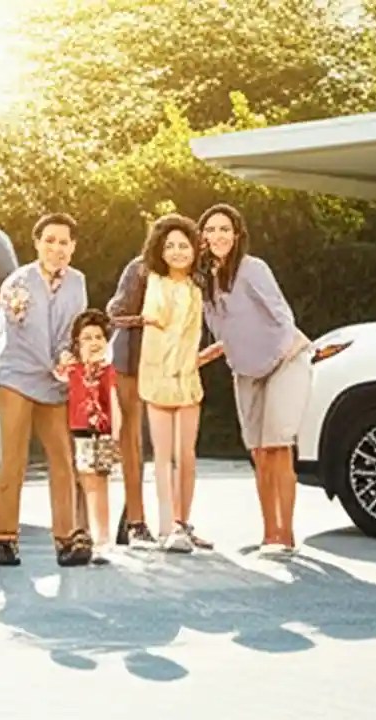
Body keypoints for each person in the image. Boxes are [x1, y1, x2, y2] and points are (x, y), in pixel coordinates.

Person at [0, 212, 91, 567]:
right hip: (17, 372)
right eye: (50, 240)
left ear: (73, 246)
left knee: (62, 458)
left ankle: (66, 539)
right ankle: (4, 540)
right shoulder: (17, 283)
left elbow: (72, 326)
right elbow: (25, 333)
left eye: (64, 242)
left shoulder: (77, 282)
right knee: (14, 459)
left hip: (53, 378)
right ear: (37, 243)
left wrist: (67, 358)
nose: (57, 248)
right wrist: (53, 362)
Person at [197, 203, 312, 556]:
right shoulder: (205, 283)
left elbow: (281, 315)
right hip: (246, 370)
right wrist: (203, 357)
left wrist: (280, 355)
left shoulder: (252, 269)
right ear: (202, 237)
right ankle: (269, 534)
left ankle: (285, 535)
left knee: (278, 447)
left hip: (285, 360)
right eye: (211, 230)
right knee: (259, 452)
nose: (218, 236)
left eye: (224, 230)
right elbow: (227, 333)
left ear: (236, 235)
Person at [138, 213, 209, 553]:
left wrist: (201, 358)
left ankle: (183, 522)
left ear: (195, 249)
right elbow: (155, 323)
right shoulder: (154, 281)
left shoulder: (200, 288)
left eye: (184, 245)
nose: (178, 252)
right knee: (163, 456)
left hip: (188, 380)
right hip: (157, 378)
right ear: (160, 250)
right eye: (170, 246)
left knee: (187, 455)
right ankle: (167, 526)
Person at [56, 309, 120, 565]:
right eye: (87, 338)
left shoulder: (109, 372)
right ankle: (89, 535)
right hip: (79, 432)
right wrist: (64, 361)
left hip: (103, 433)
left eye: (99, 338)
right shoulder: (73, 371)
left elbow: (114, 402)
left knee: (99, 485)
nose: (94, 343)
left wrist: (117, 436)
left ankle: (103, 540)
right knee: (86, 483)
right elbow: (57, 375)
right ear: (76, 344)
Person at [105, 253, 156, 548]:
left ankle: (139, 518)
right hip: (130, 358)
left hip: (164, 361)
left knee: (158, 444)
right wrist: (147, 320)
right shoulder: (139, 268)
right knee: (132, 440)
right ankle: (134, 519)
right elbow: (116, 311)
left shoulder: (194, 276)